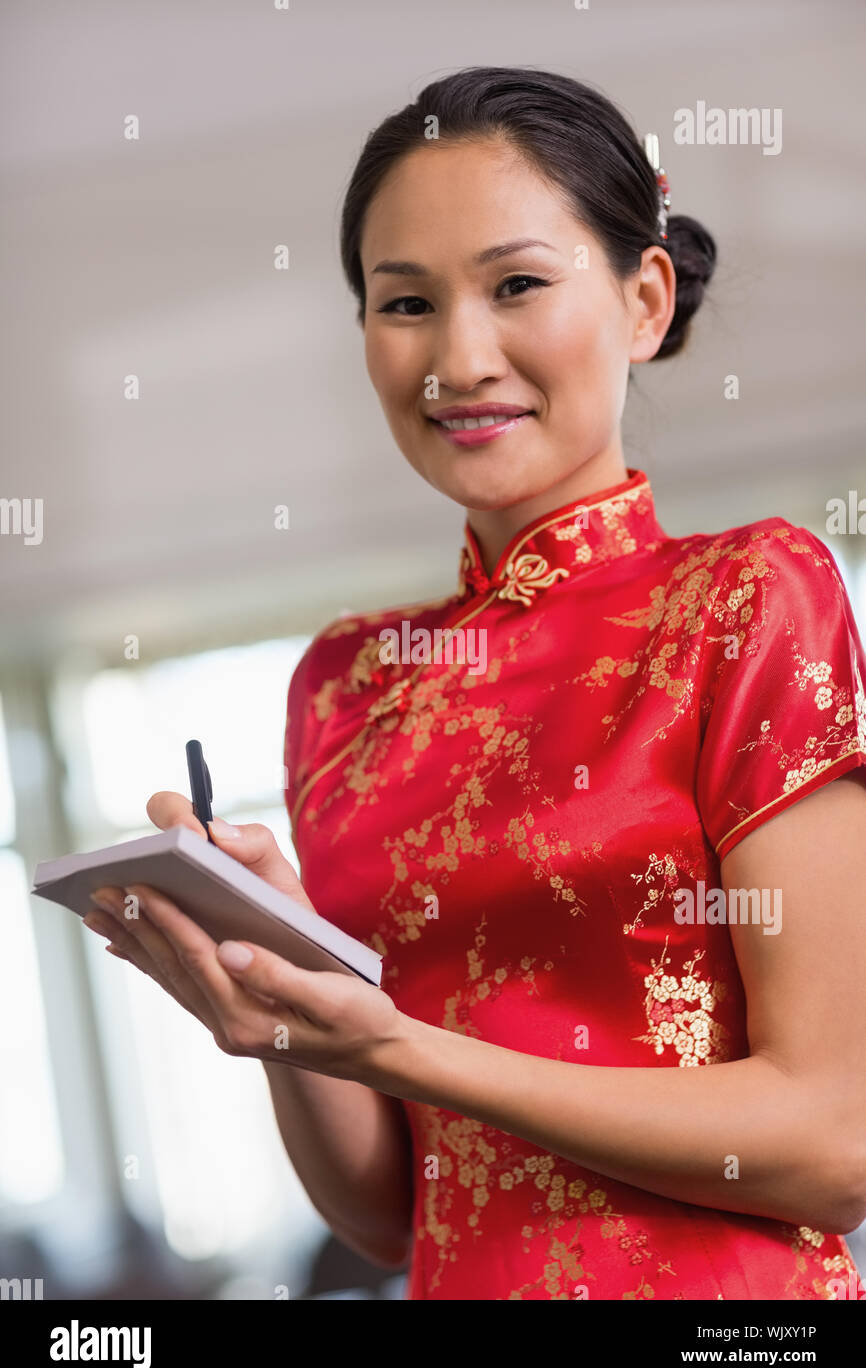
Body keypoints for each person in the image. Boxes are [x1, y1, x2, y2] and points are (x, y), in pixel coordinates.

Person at [83, 66, 866, 1301]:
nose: (457, 356)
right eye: (404, 303)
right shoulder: (342, 688)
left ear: (643, 298)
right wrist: (281, 992)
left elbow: (834, 1143)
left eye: (515, 285)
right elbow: (387, 1216)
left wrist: (413, 1048)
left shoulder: (746, 600)